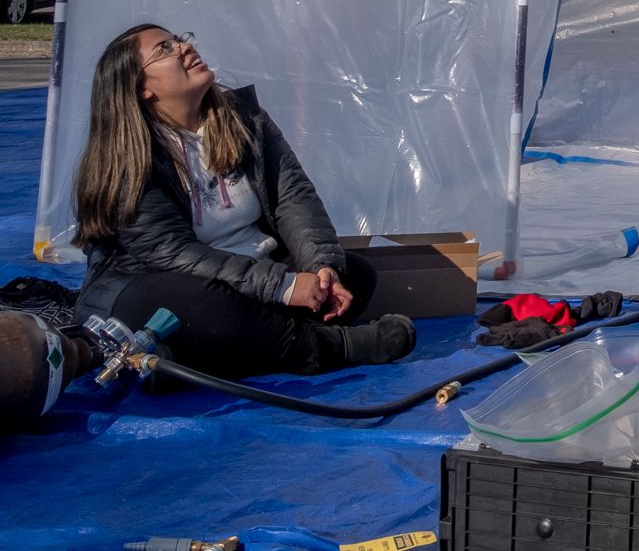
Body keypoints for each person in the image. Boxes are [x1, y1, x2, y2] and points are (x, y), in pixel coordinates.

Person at [71, 25, 415, 379]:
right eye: (165, 49)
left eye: (181, 39)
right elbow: (174, 254)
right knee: (204, 308)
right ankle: (329, 348)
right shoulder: (131, 157)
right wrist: (282, 287)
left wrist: (322, 266)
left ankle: (194, 361)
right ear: (141, 88)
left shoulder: (244, 118)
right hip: (164, 284)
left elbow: (293, 198)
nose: (185, 48)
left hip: (251, 271)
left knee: (355, 276)